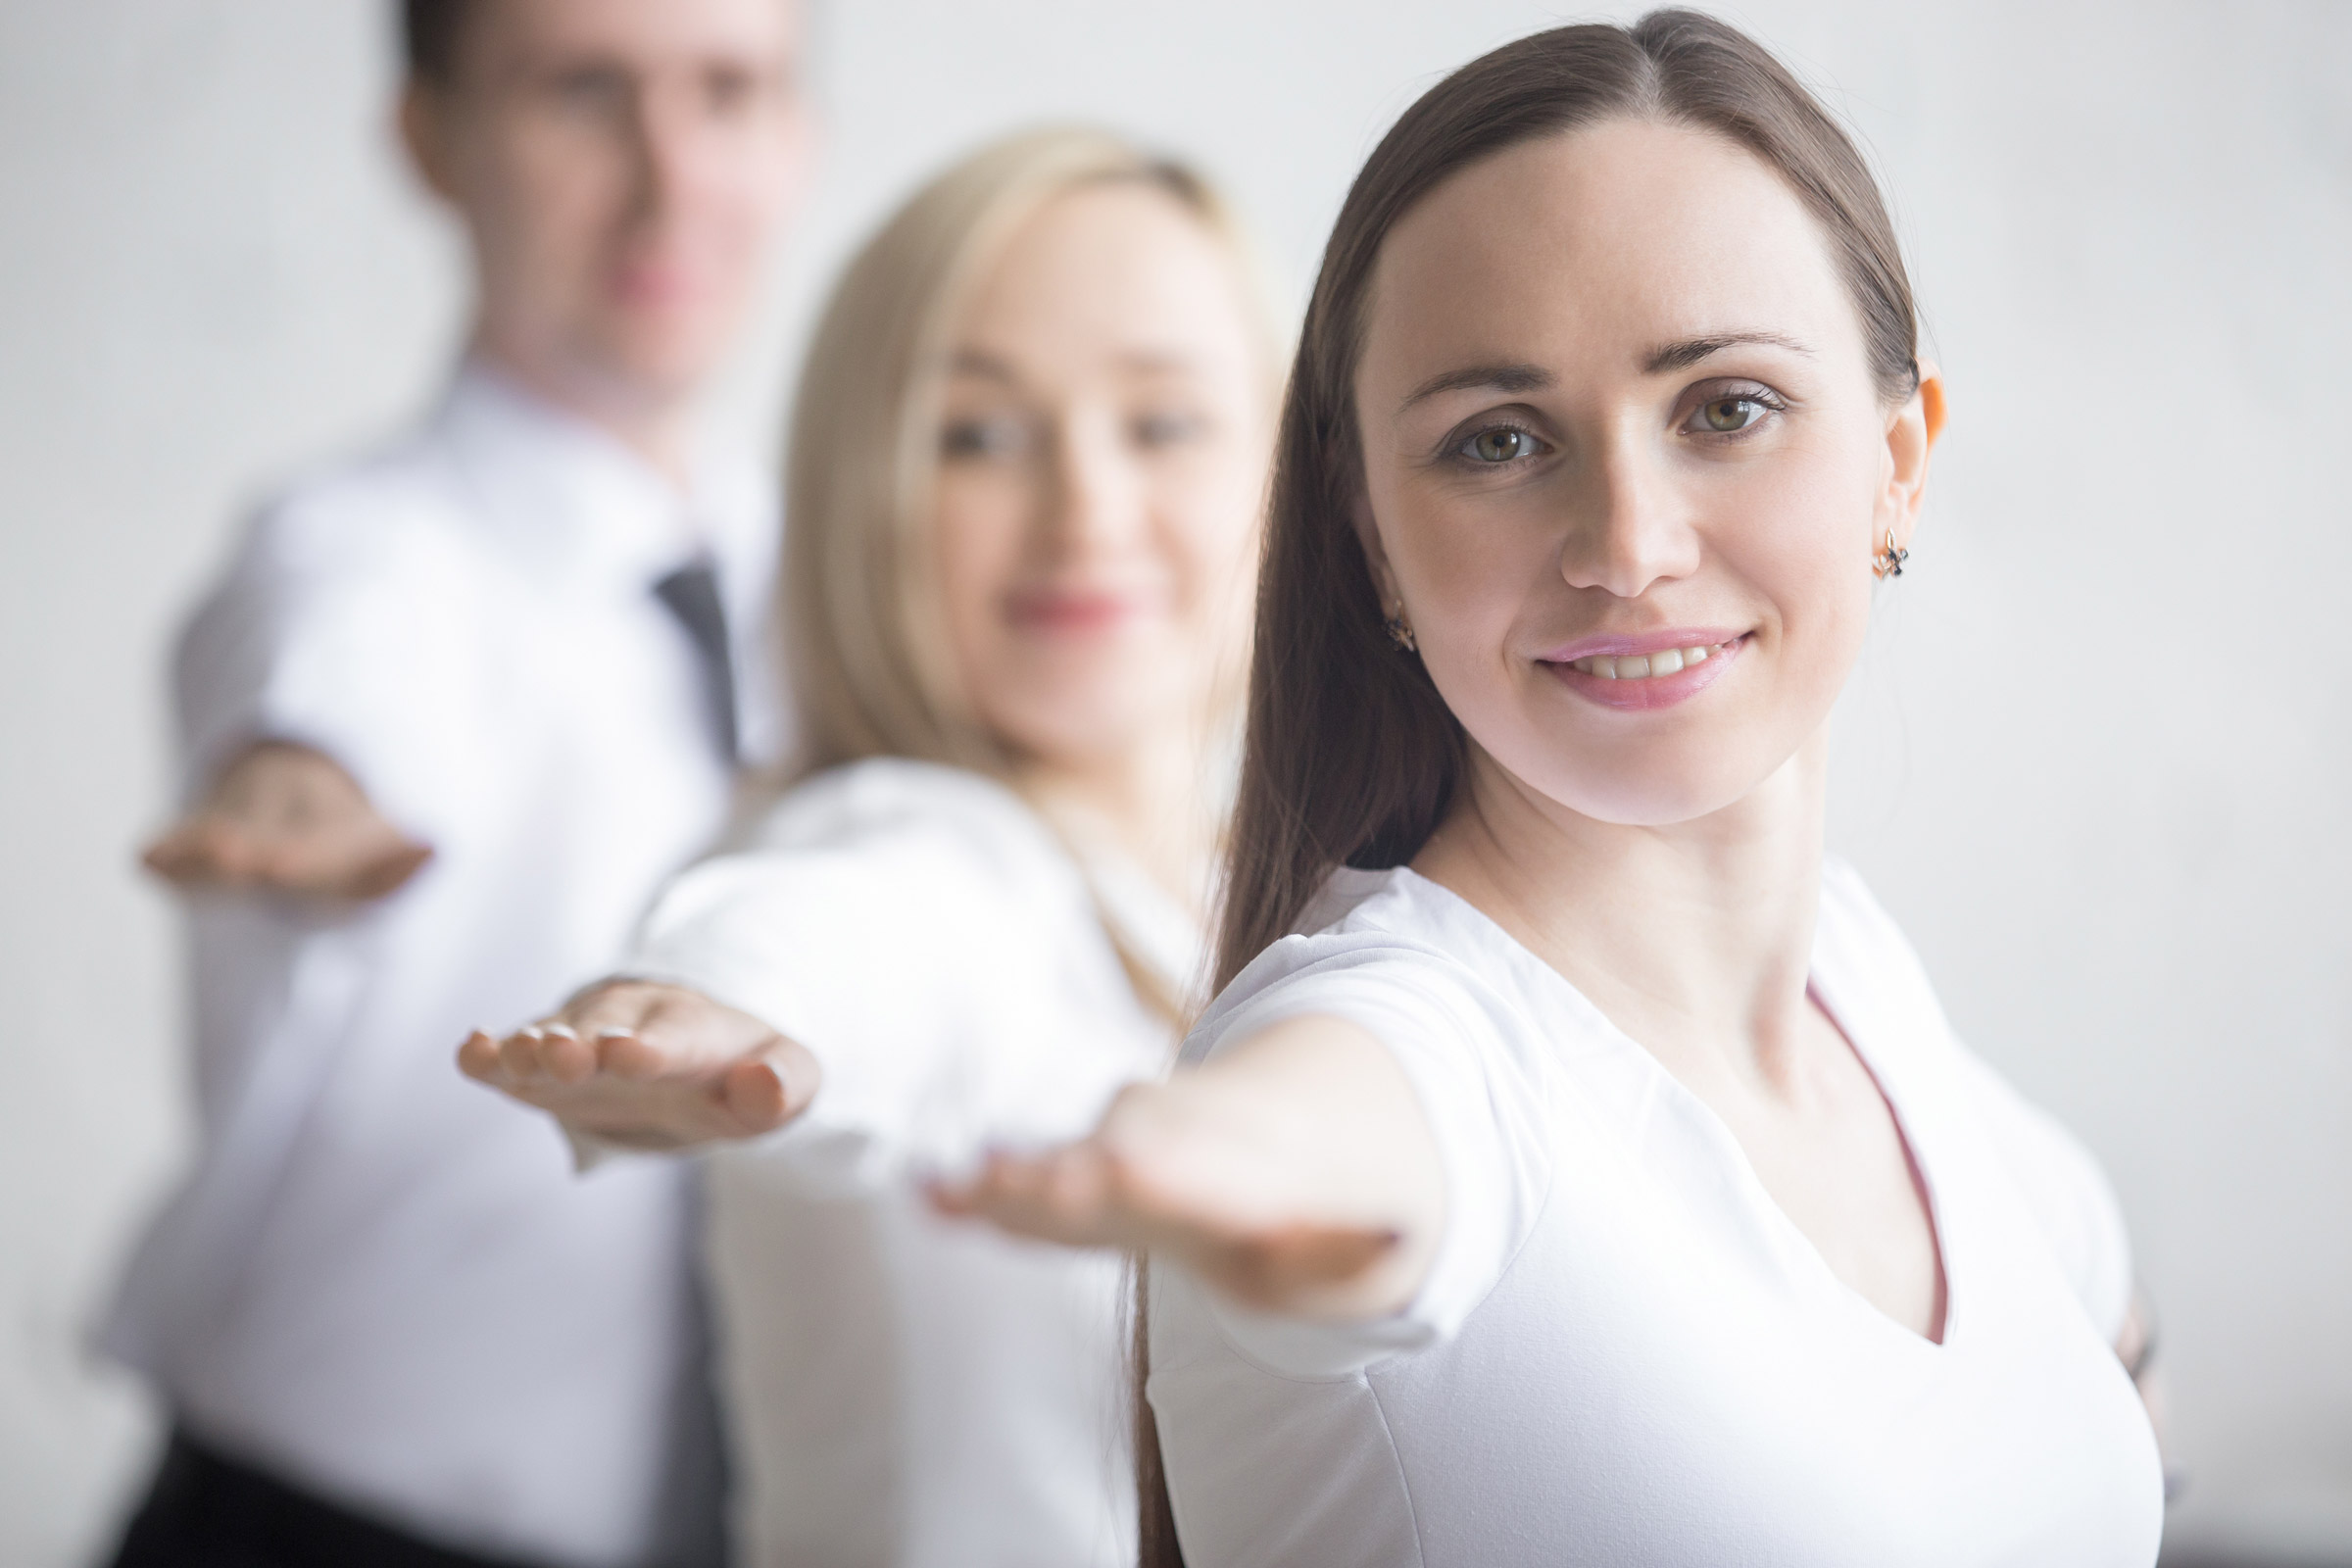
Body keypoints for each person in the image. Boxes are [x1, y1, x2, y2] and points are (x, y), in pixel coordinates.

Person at [940, 14, 2167, 1567]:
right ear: (1374, 541)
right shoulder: (1398, 1044)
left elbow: (2098, 1335)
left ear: (1899, 461)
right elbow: (1343, 1139)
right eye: (1499, 440)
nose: (1629, 543)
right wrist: (1212, 1162)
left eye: (1725, 407)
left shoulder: (1864, 990)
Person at [456, 128, 1280, 1568]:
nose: (1086, 507)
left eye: (1161, 423)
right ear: (858, 490)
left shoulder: (1291, 886)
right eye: (977, 435)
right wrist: (704, 1016)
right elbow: (833, 944)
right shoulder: (909, 852)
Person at [106, 2, 810, 1565]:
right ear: (431, 139)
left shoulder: (805, 585)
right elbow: (317, 683)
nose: (673, 177)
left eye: (731, 92)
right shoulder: (355, 551)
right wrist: (300, 780)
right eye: (583, 94)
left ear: (798, 131)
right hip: (318, 1533)